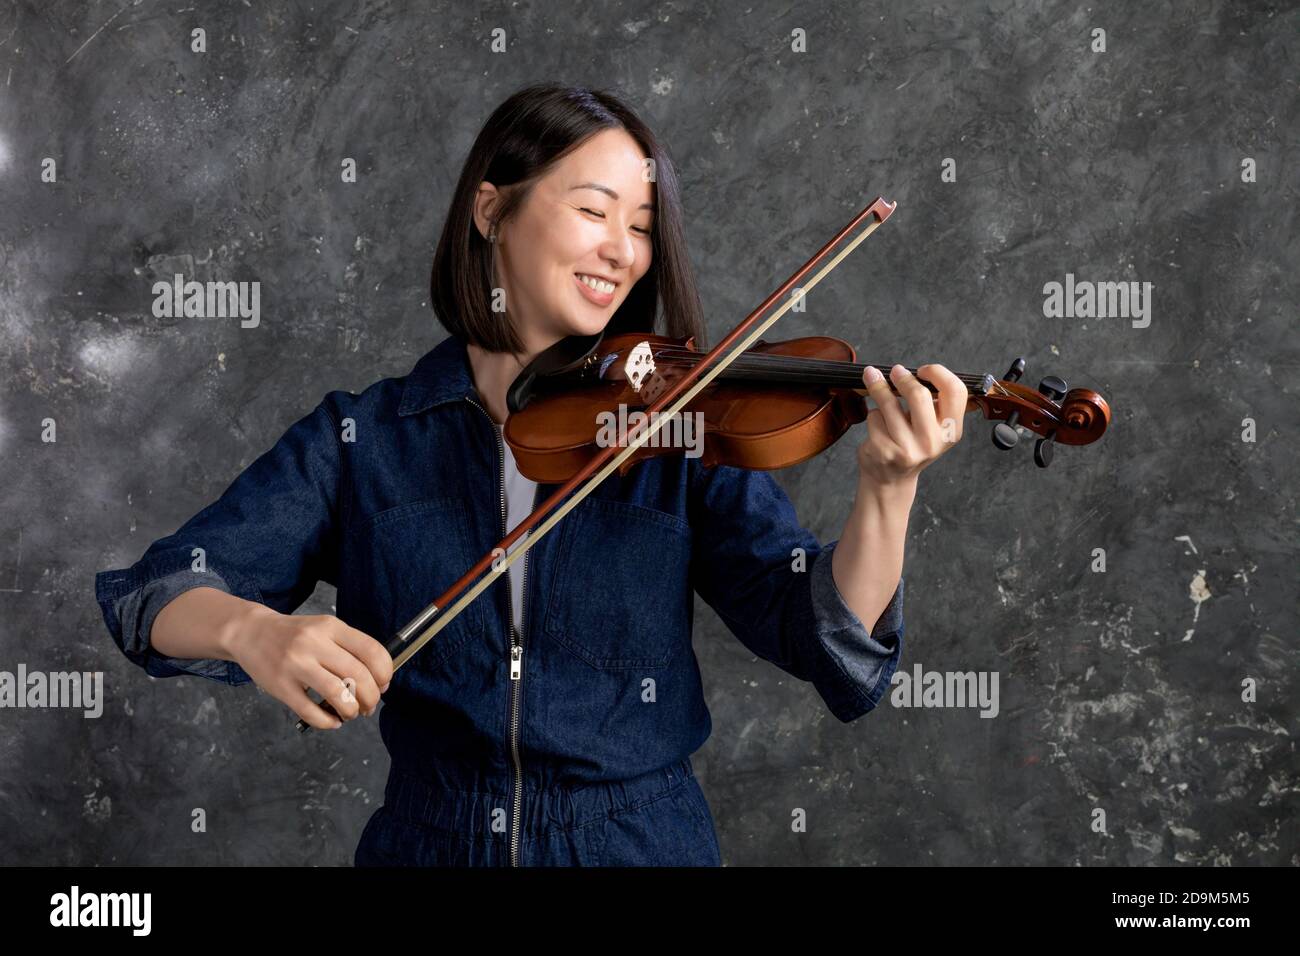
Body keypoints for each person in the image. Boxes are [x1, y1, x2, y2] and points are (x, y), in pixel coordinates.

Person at [94, 83, 968, 866]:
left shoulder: (674, 424)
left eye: (641, 228)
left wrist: (889, 487)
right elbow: (159, 592)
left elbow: (826, 642)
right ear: (490, 209)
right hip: (430, 843)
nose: (624, 252)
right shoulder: (367, 437)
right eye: (595, 211)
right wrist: (256, 633)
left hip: (636, 845)